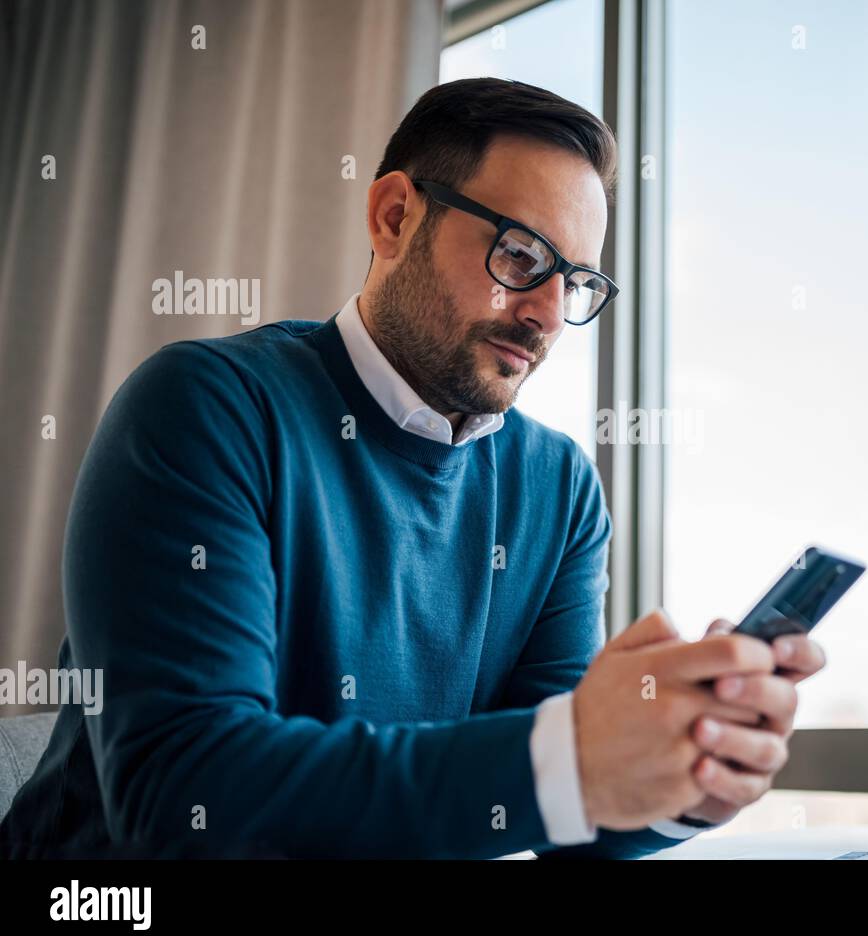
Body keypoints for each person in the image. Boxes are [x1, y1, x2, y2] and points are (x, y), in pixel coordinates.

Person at [0, 78, 826, 859]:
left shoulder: (559, 489)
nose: (545, 312)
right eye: (521, 255)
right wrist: (567, 757)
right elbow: (183, 797)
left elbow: (567, 814)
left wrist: (684, 776)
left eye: (572, 281)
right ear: (394, 217)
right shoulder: (206, 408)